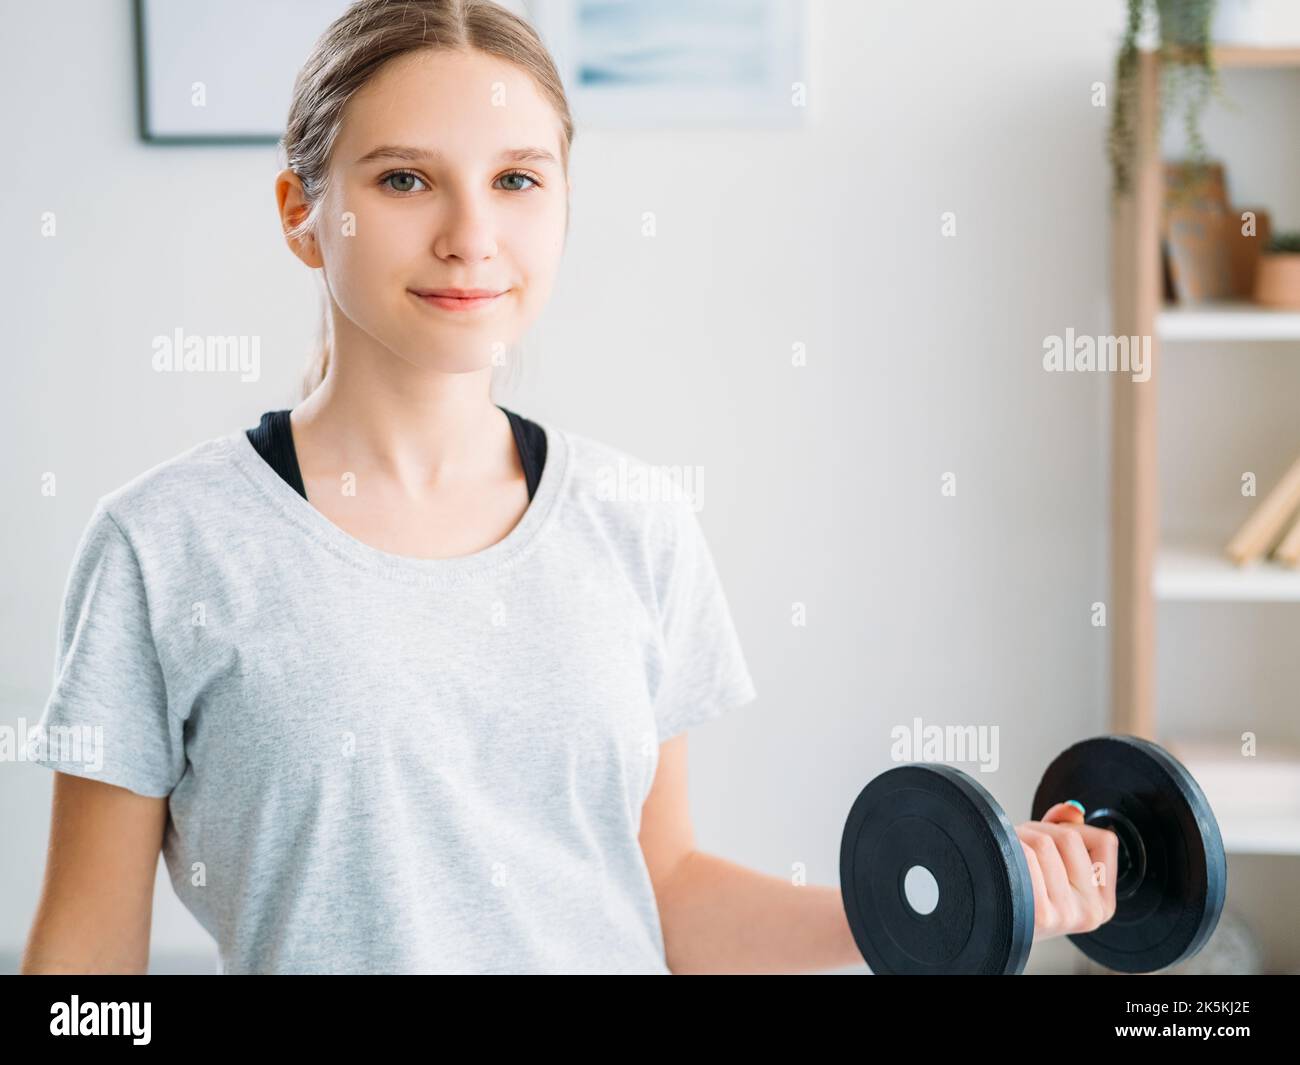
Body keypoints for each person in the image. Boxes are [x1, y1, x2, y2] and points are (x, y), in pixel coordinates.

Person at [21, 0, 1115, 975]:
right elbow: (85, 965)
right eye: (404, 179)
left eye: (515, 181)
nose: (469, 237)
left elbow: (668, 894)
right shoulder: (162, 545)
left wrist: (952, 898)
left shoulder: (636, 520)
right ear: (302, 213)